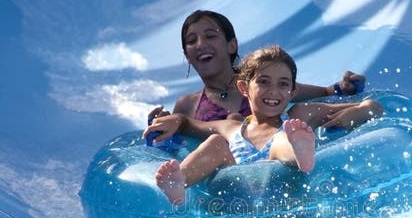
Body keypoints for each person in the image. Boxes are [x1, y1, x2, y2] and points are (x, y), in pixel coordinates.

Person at [146, 44, 383, 206]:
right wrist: (173, 120)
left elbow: (373, 105)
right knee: (216, 143)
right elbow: (190, 125)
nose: (273, 91)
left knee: (282, 139)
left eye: (283, 84)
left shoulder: (299, 114)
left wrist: (358, 113)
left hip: (286, 191)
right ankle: (180, 180)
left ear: (292, 92)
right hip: (239, 196)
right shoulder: (232, 128)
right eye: (263, 82)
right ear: (243, 88)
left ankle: (301, 153)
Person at [146, 9, 366, 141]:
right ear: (187, 56)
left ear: (232, 45)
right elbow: (182, 138)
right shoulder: (187, 105)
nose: (200, 44)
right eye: (191, 41)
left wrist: (343, 88)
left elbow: (325, 93)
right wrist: (163, 126)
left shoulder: (262, 84)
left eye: (210, 36)